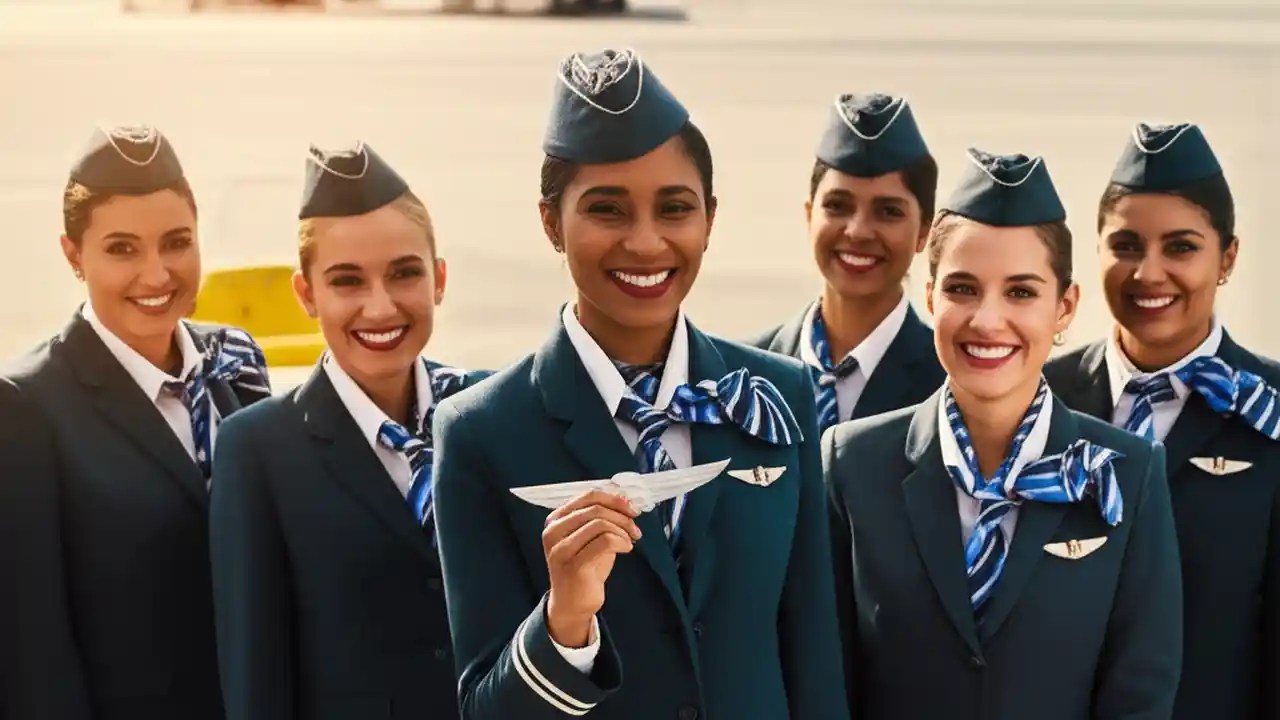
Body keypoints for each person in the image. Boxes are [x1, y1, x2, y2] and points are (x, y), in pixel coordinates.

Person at [432, 48, 849, 719]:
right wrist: (564, 619)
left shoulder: (781, 396)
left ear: (709, 218)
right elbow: (484, 708)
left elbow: (813, 661)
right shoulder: (482, 431)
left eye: (674, 209)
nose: (647, 243)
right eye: (608, 210)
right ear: (550, 223)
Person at [826, 148, 1183, 718]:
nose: (987, 321)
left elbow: (1140, 694)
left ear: (1064, 308)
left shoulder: (1130, 471)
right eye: (963, 289)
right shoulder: (853, 463)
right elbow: (828, 683)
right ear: (929, 295)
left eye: (1020, 292)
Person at [0, 125, 270, 720]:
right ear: (74, 255)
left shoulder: (237, 361)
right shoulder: (26, 404)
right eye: (122, 249)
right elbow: (31, 646)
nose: (156, 275)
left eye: (177, 242)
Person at [209, 142, 486, 720]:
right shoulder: (258, 451)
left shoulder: (489, 411)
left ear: (439, 279)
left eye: (404, 273)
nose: (380, 307)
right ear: (306, 295)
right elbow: (256, 678)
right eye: (347, 282)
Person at [1045, 122, 1280, 719]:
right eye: (1125, 246)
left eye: (1181, 247)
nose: (1148, 274)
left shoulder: (1271, 407)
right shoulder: (1039, 399)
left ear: (1227, 257)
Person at [750, 93, 944, 433]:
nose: (857, 231)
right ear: (810, 215)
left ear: (923, 232)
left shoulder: (949, 389)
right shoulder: (741, 374)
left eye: (888, 212)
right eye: (837, 206)